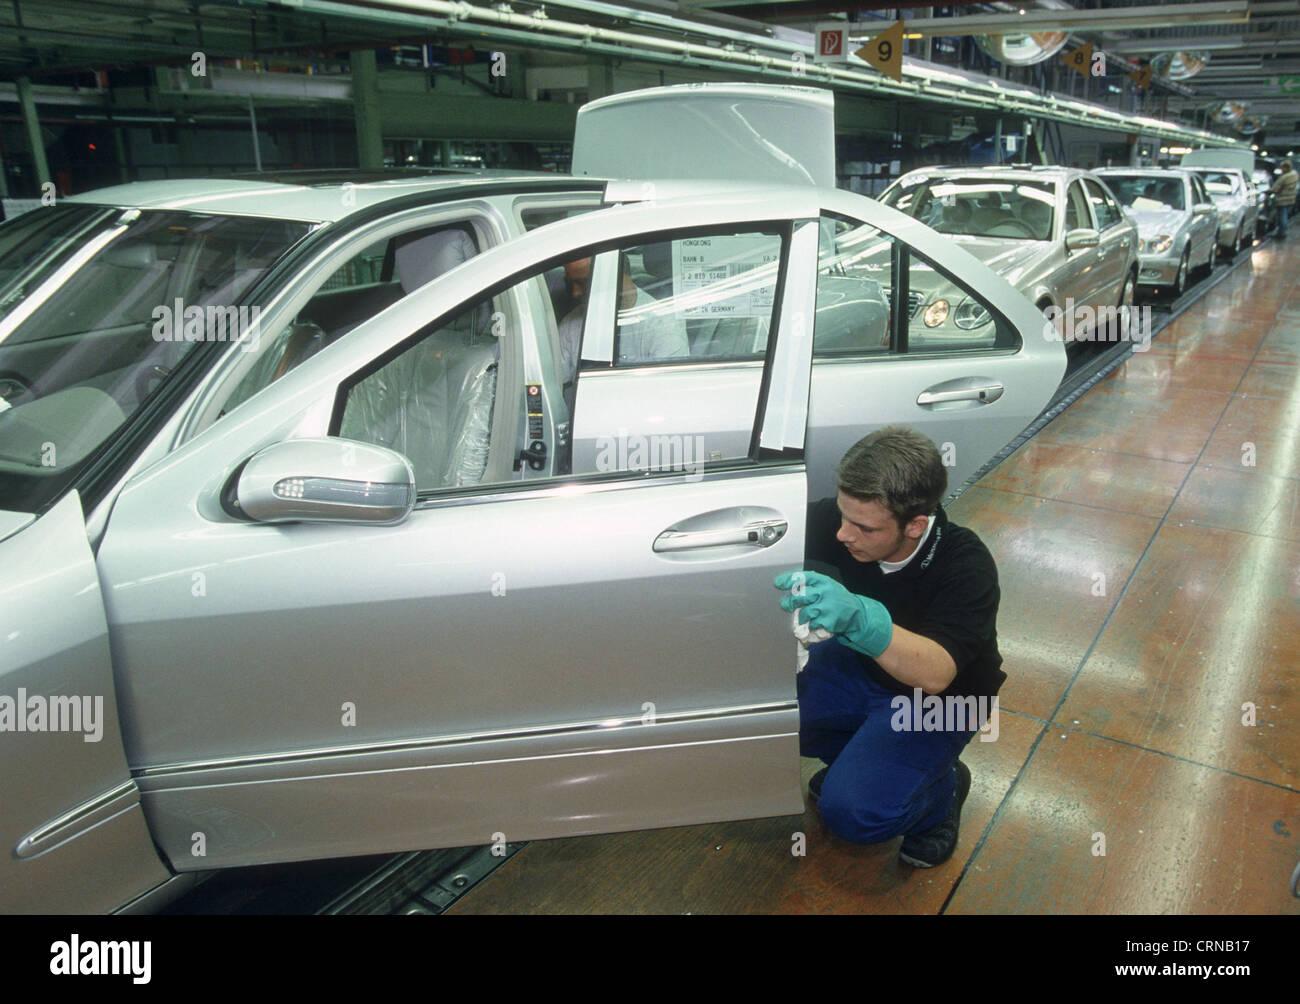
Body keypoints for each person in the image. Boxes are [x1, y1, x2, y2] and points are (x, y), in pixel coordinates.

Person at [774, 425, 1004, 868]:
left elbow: (936, 673)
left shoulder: (966, 564)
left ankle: (938, 799)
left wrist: (861, 618)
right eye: (843, 516)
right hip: (865, 669)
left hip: (940, 701)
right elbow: (767, 530)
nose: (843, 534)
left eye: (863, 527)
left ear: (915, 525)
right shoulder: (844, 524)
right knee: (769, 717)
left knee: (855, 815)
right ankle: (866, 765)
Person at [557, 254, 689, 387]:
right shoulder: (571, 324)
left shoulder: (663, 326)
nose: (575, 293)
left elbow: (669, 391)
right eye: (569, 284)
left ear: (617, 277)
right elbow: (554, 381)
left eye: (583, 282)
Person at [1270, 160, 1298, 240]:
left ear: (1286, 168)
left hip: (1283, 199)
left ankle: (1281, 233)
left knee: (1282, 217)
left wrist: (1270, 191)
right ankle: (1282, 232)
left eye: (1282, 168)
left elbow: (1275, 188)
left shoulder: (1284, 177)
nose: (1281, 169)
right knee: (1285, 215)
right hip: (1291, 199)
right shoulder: (1294, 175)